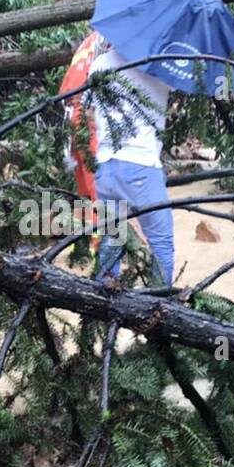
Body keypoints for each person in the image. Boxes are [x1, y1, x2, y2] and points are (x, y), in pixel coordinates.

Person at [86, 43, 175, 286]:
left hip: (106, 165)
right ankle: (159, 307)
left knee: (112, 239)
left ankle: (105, 303)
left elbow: (89, 112)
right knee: (161, 242)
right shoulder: (160, 64)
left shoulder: (99, 64)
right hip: (141, 165)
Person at [60, 30, 108, 252]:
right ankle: (98, 238)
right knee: (95, 177)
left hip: (71, 109)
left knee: (82, 179)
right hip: (87, 111)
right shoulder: (106, 41)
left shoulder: (88, 43)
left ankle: (79, 238)